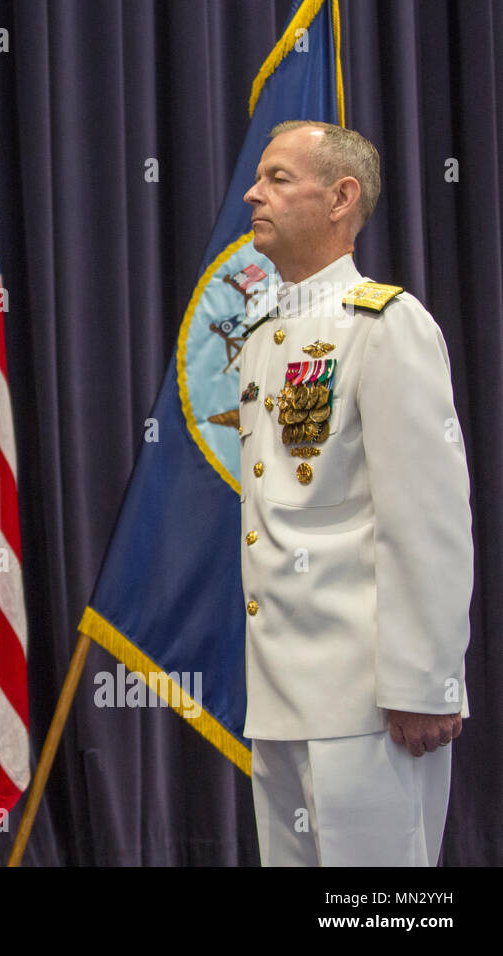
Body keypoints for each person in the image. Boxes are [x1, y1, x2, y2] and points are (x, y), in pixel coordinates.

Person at [237, 121, 472, 866]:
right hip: (278, 697)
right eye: (260, 177)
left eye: (278, 178)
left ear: (341, 198)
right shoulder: (263, 338)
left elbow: (427, 517)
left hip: (371, 702)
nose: (254, 192)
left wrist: (424, 681)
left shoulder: (387, 326)